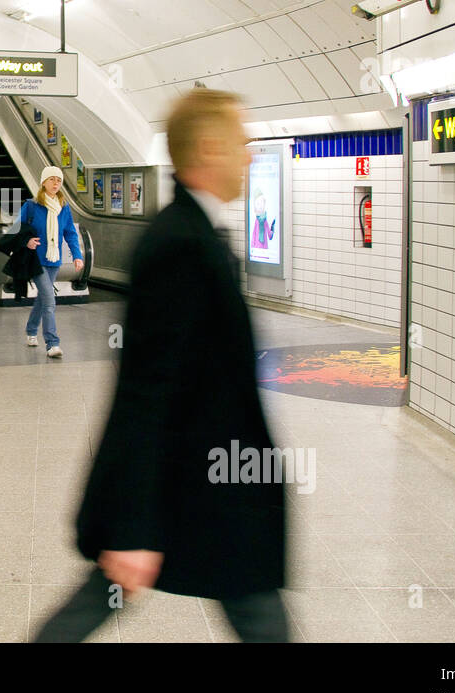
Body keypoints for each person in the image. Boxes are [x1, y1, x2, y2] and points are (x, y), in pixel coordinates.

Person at [34, 89, 288, 643]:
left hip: (214, 486)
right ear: (207, 149)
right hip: (192, 486)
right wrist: (130, 528)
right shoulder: (179, 244)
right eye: (239, 143)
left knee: (254, 612)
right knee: (256, 616)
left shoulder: (198, 234)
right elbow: (145, 391)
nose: (249, 155)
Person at [15, 166, 83, 358]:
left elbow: (69, 232)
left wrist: (77, 255)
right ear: (43, 182)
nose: (56, 183)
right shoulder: (32, 205)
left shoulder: (64, 207)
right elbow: (17, 228)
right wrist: (26, 241)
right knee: (49, 299)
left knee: (43, 299)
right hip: (35, 260)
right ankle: (52, 343)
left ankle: (30, 330)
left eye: (59, 180)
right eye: (52, 179)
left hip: (54, 259)